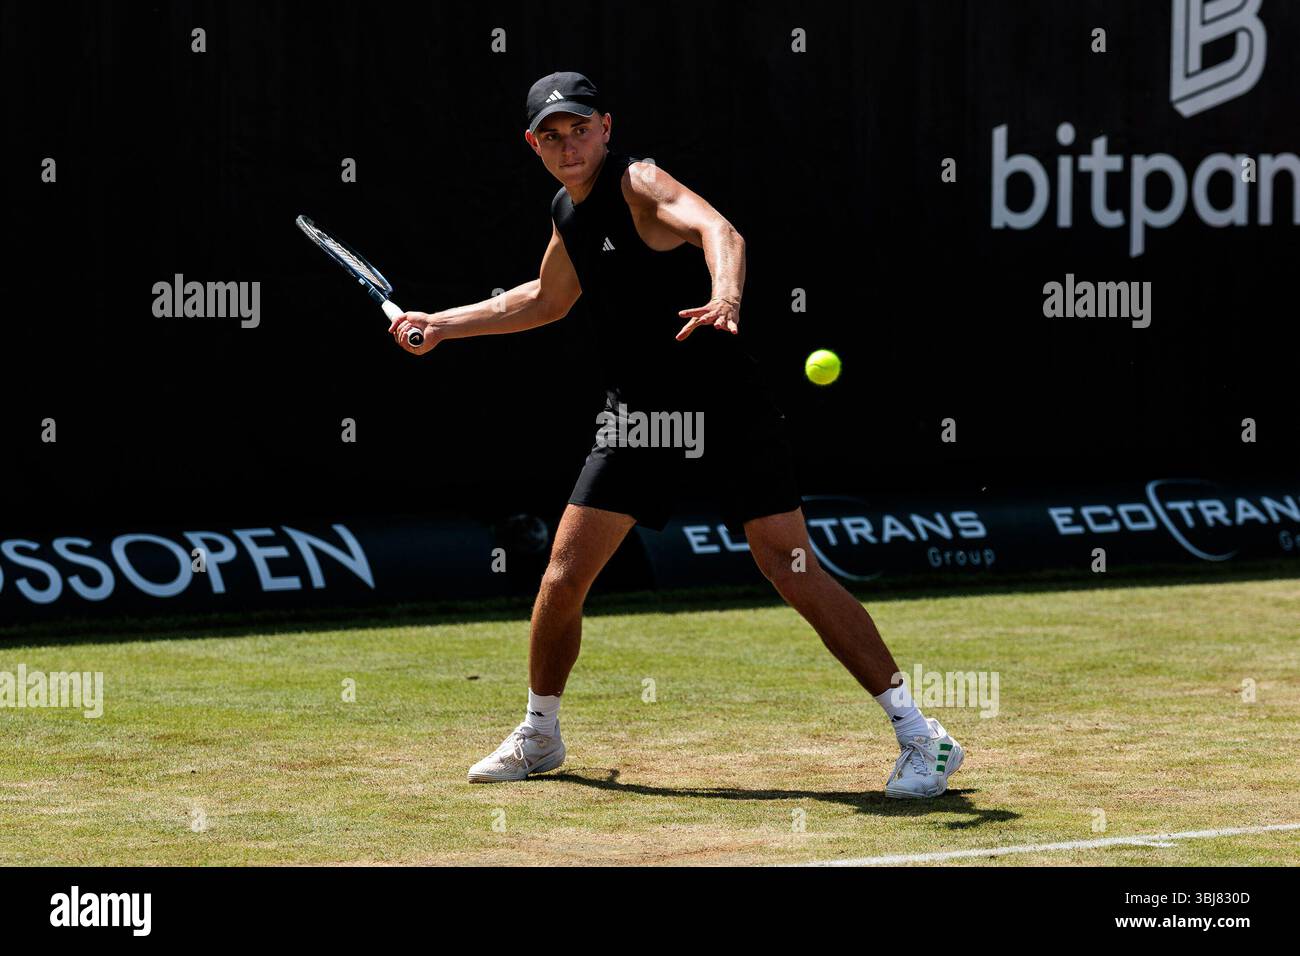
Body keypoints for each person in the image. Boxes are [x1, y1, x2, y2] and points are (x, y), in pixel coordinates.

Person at [389, 71, 964, 798]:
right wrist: (441, 324)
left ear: (606, 126)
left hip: (724, 403)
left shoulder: (639, 182)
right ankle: (540, 734)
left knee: (788, 567)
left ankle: (922, 736)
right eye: (551, 135)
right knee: (563, 577)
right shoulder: (568, 209)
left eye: (581, 128)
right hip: (640, 417)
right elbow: (545, 298)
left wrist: (725, 292)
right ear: (533, 144)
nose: (568, 145)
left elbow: (719, 229)